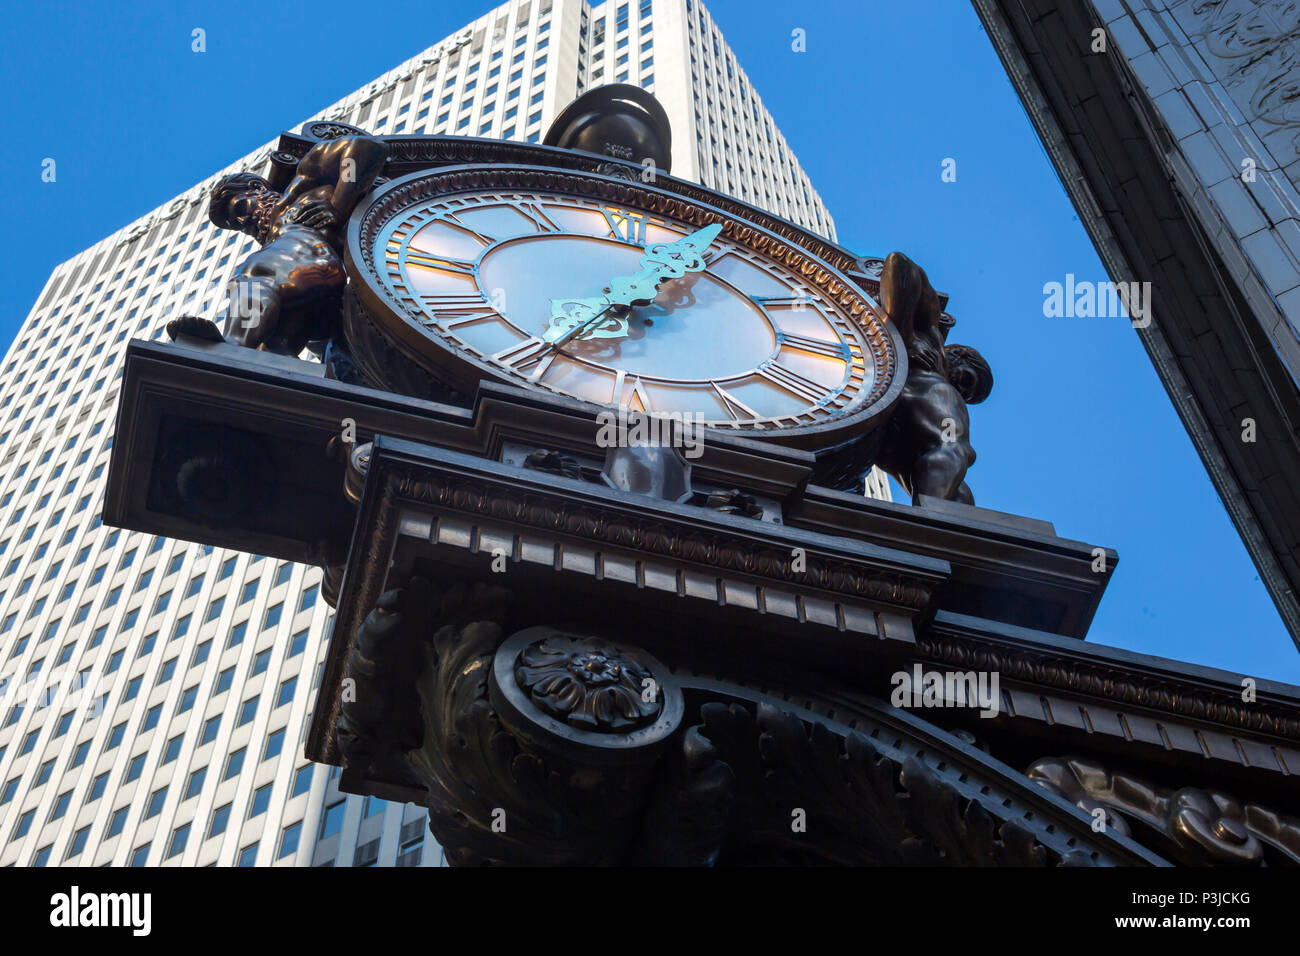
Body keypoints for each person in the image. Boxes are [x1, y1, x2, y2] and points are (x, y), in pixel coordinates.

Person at [874, 252, 993, 504]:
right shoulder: (931, 337)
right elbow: (899, 263)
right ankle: (925, 528)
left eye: (966, 396)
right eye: (967, 381)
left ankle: (936, 527)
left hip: (886, 427)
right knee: (954, 447)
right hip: (904, 406)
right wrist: (905, 338)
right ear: (958, 353)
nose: (960, 390)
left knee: (960, 494)